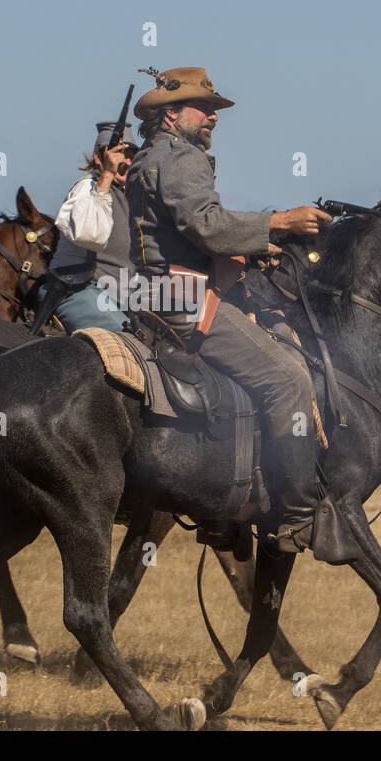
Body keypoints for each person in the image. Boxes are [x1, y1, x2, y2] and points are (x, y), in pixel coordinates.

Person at [124, 67, 332, 554]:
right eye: (205, 106)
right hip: (185, 300)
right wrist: (278, 223)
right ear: (171, 114)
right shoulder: (181, 157)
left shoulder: (148, 158)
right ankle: (297, 517)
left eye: (215, 107)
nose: (214, 115)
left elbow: (188, 230)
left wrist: (254, 244)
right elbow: (206, 226)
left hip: (152, 295)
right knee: (288, 377)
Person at [36, 121, 138, 333]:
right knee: (129, 341)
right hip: (75, 292)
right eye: (118, 154)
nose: (125, 161)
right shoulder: (86, 188)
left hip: (120, 300)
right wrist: (108, 174)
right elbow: (88, 235)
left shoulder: (130, 200)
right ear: (98, 158)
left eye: (130, 155)